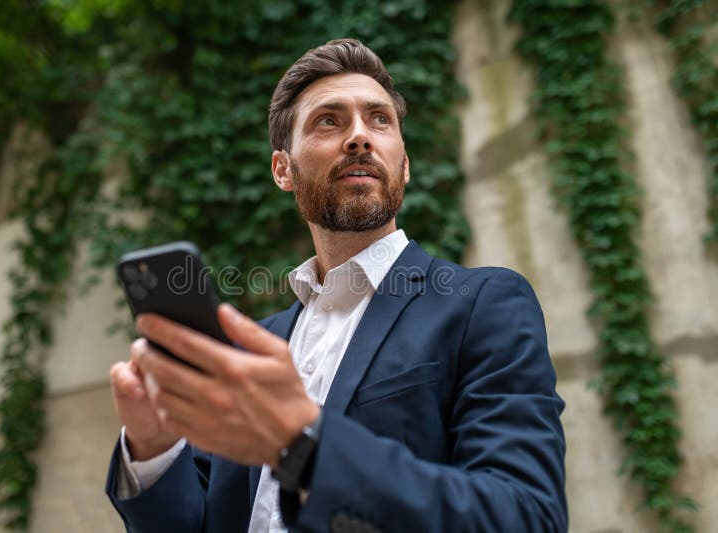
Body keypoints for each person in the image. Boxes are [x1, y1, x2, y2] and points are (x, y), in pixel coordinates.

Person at [105, 38, 567, 533]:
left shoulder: (484, 305)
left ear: (404, 164)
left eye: (379, 120)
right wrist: (152, 446)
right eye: (329, 120)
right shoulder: (254, 355)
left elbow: (526, 515)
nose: (359, 137)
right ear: (283, 170)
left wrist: (305, 441)